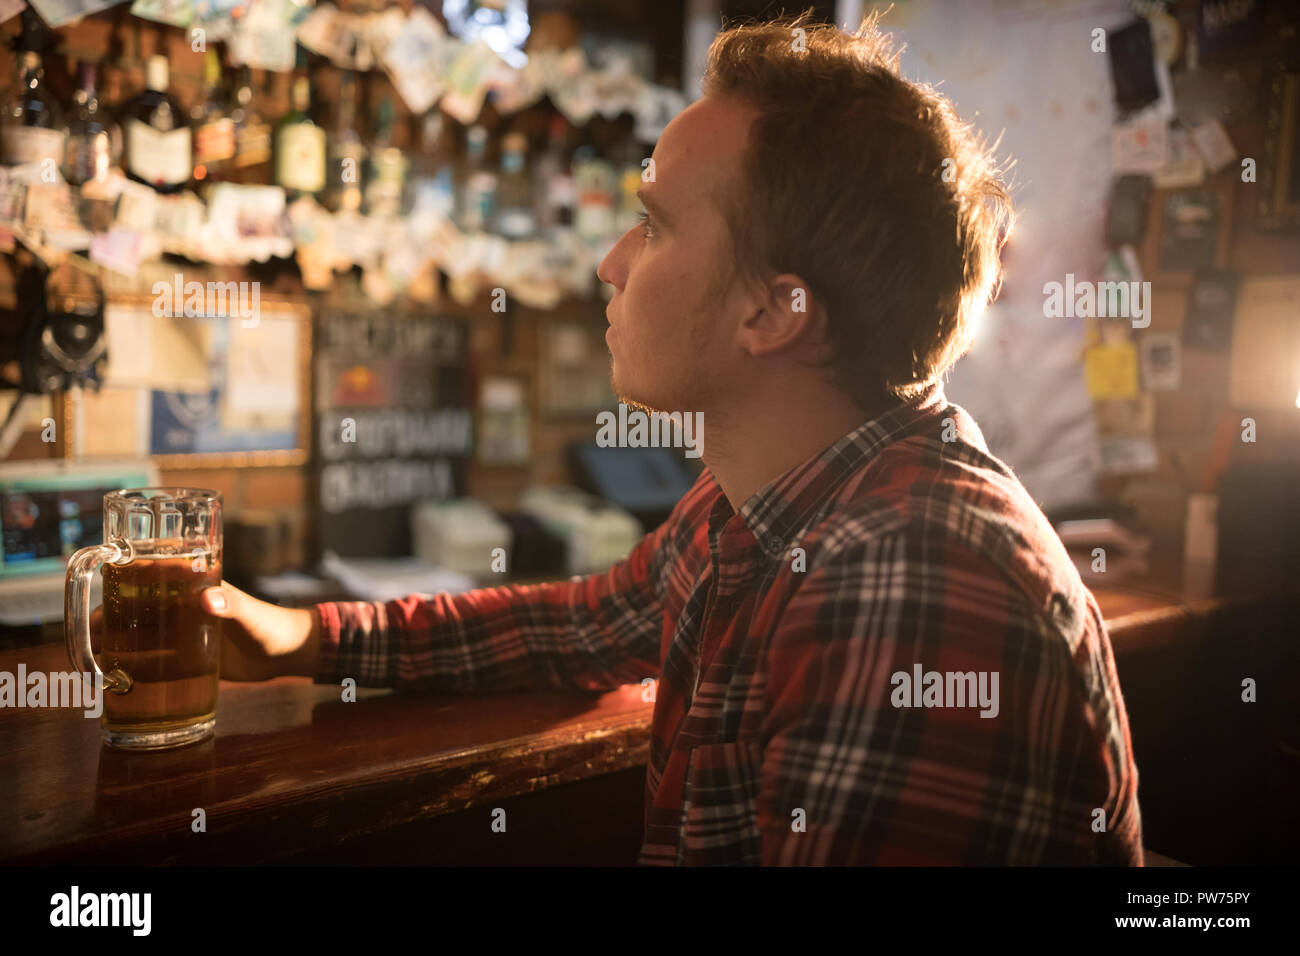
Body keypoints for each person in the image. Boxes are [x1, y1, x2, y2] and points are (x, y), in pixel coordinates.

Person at [204, 12, 1142, 865]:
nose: (611, 262)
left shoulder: (904, 575)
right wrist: (303, 638)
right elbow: (579, 625)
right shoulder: (762, 499)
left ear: (776, 311)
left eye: (652, 227)